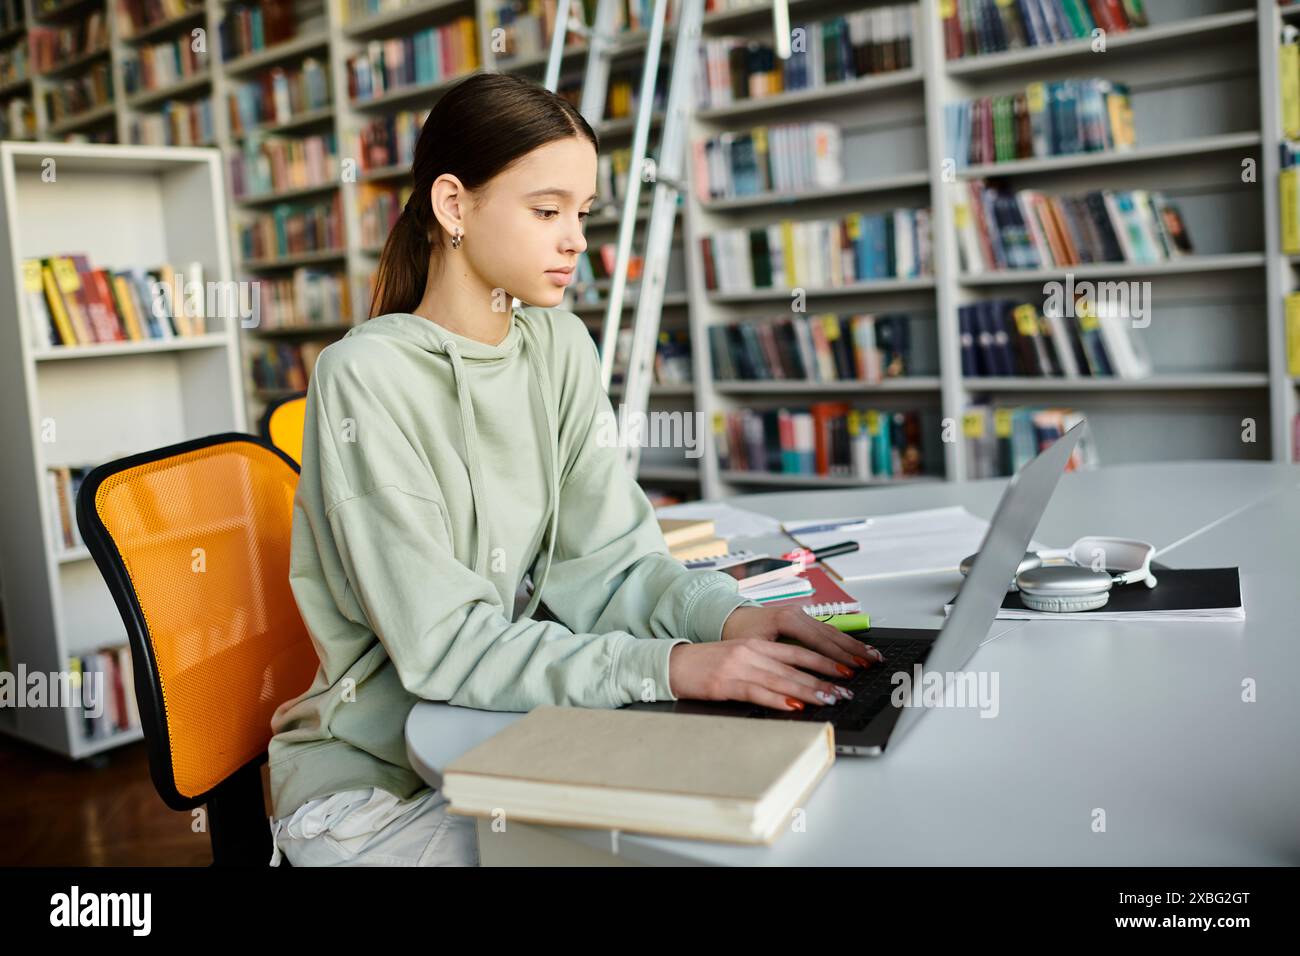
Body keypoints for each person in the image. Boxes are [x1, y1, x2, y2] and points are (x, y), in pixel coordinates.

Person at [266, 71, 882, 867]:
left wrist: (724, 620)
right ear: (454, 207)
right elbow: (445, 644)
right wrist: (669, 666)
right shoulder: (364, 378)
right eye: (546, 210)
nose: (576, 240)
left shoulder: (559, 347)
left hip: (505, 738)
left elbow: (612, 562)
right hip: (376, 790)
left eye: (583, 214)